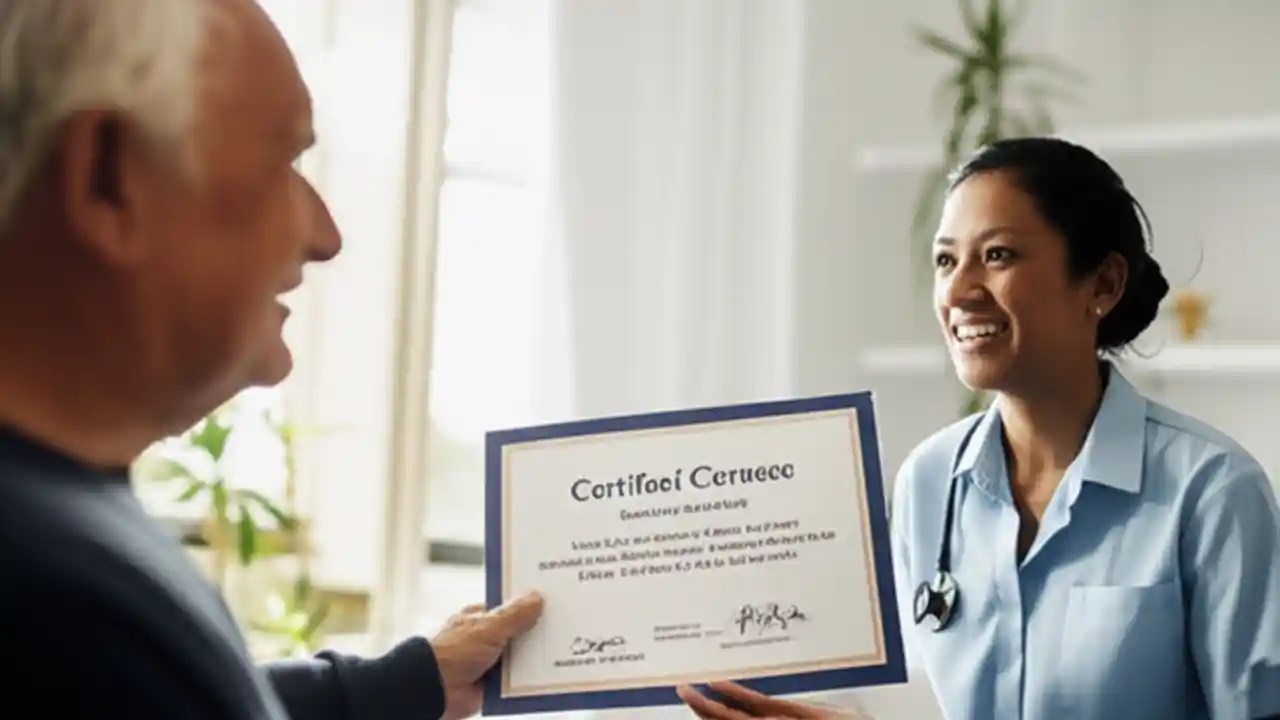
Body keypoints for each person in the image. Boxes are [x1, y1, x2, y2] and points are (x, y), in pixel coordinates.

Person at [0, 0, 542, 717]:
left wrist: (406, 682)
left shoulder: (64, 548)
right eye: (282, 158)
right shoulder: (60, 602)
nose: (324, 234)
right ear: (108, 178)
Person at [679, 137, 1280, 719]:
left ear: (1102, 284)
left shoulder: (1211, 492)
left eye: (998, 255)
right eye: (946, 259)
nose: (960, 291)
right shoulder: (929, 480)